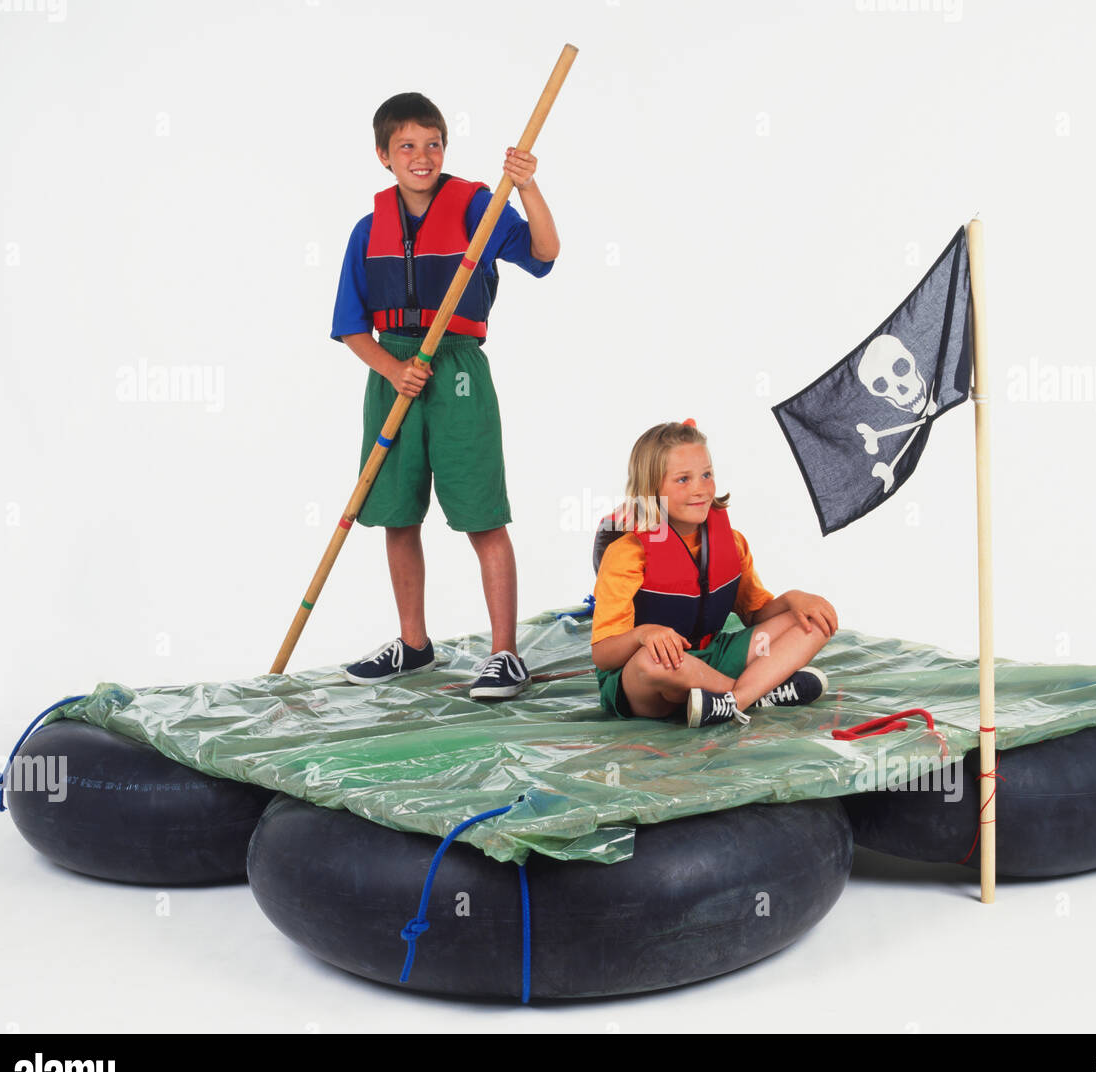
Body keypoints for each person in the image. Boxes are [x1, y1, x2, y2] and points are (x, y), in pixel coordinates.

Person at [330, 92, 559, 699]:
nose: (422, 156)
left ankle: (504, 655)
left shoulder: (477, 207)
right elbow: (350, 324)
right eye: (406, 146)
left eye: (433, 144)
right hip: (392, 374)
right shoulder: (366, 229)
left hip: (455, 370)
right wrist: (391, 367)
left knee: (482, 514)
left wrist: (527, 187)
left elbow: (544, 253)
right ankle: (413, 645)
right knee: (396, 516)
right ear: (384, 156)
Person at [592, 421, 838, 728]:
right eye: (683, 479)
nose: (700, 489)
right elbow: (603, 655)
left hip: (713, 655)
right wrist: (644, 634)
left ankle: (733, 700)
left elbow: (756, 614)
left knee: (814, 621)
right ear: (651, 488)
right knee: (648, 663)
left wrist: (793, 599)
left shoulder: (732, 542)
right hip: (655, 677)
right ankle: (758, 692)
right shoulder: (627, 554)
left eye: (706, 474)